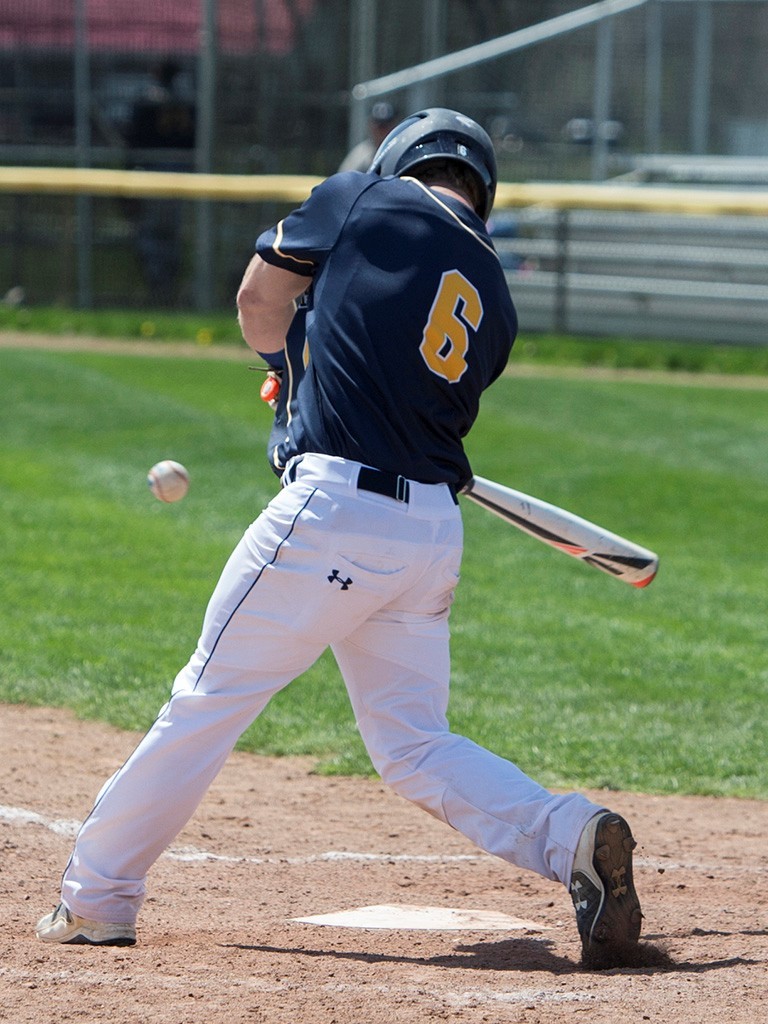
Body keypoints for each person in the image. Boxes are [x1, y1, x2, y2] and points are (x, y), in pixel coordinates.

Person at [35, 108, 643, 968]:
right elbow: (395, 376)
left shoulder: (362, 198)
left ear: (400, 163)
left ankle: (95, 899)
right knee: (413, 742)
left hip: (332, 519)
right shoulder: (497, 293)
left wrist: (287, 369)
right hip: (429, 531)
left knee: (206, 701)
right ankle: (569, 831)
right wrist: (310, 380)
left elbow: (257, 298)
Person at [123, 59, 196, 305]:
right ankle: (167, 287)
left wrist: (128, 173)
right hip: (183, 173)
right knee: (170, 234)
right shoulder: (190, 102)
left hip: (154, 171)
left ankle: (160, 288)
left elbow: (133, 141)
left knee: (153, 234)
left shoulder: (147, 101)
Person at [337, 100, 398, 172]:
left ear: (394, 126)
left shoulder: (399, 150)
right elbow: (344, 179)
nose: (382, 132)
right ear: (370, 126)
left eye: (386, 127)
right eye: (379, 127)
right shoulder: (360, 155)